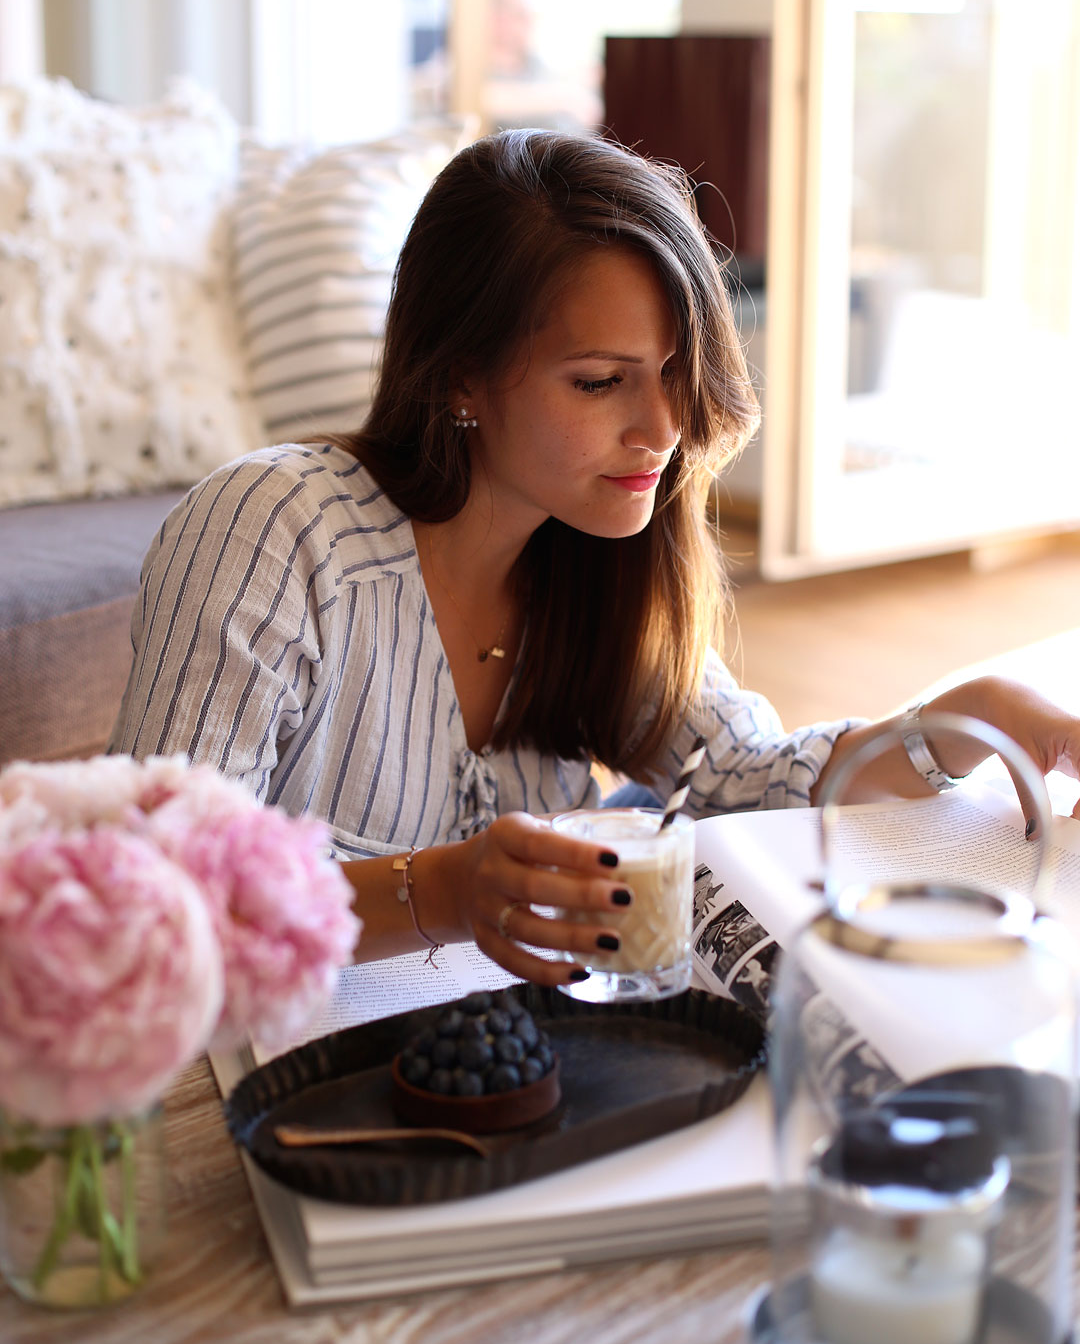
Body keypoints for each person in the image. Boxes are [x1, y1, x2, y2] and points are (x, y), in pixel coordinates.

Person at [109, 131, 1080, 986]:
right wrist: (441, 892)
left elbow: (742, 773)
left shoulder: (590, 561)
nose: (662, 429)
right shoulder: (273, 530)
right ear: (461, 375)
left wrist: (968, 722)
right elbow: (152, 895)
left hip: (531, 1076)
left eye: (675, 373)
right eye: (600, 382)